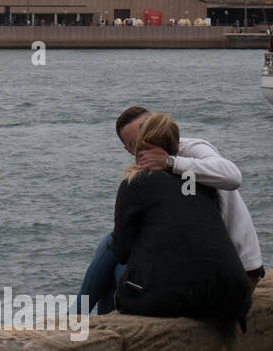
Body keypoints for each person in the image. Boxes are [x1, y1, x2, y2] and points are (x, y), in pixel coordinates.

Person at [72, 106, 264, 315]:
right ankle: (93, 322)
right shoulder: (157, 177)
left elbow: (234, 176)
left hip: (235, 271)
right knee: (116, 267)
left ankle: (73, 319)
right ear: (129, 149)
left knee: (113, 250)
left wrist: (170, 162)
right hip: (216, 274)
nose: (142, 142)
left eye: (144, 131)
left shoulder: (191, 150)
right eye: (133, 143)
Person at [107, 113, 253, 330]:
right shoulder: (196, 179)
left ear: (142, 144)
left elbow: (121, 253)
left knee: (112, 261)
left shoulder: (136, 183)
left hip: (179, 296)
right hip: (235, 294)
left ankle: (80, 317)